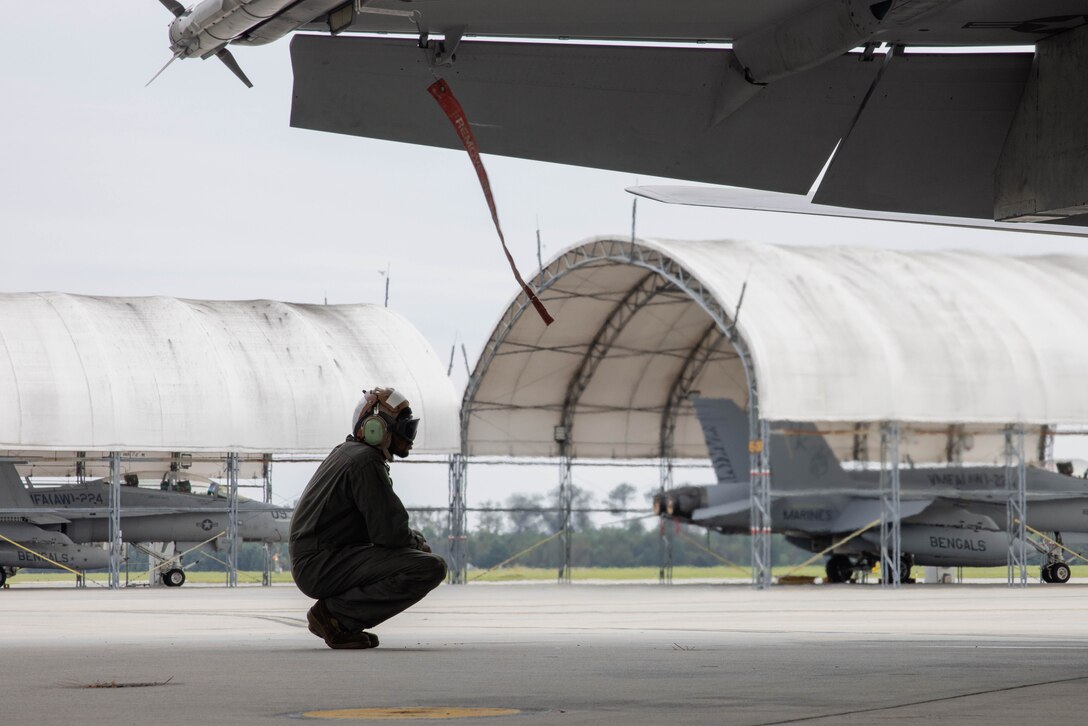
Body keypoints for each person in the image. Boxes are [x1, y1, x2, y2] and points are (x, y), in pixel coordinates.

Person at [289, 387, 447, 649]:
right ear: (377, 427)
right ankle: (335, 618)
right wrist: (417, 544)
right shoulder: (365, 463)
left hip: (320, 560)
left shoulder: (349, 453)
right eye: (405, 428)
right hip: (321, 565)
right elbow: (389, 533)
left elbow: (383, 526)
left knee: (418, 558)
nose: (409, 437)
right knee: (429, 567)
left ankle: (338, 618)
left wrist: (413, 542)